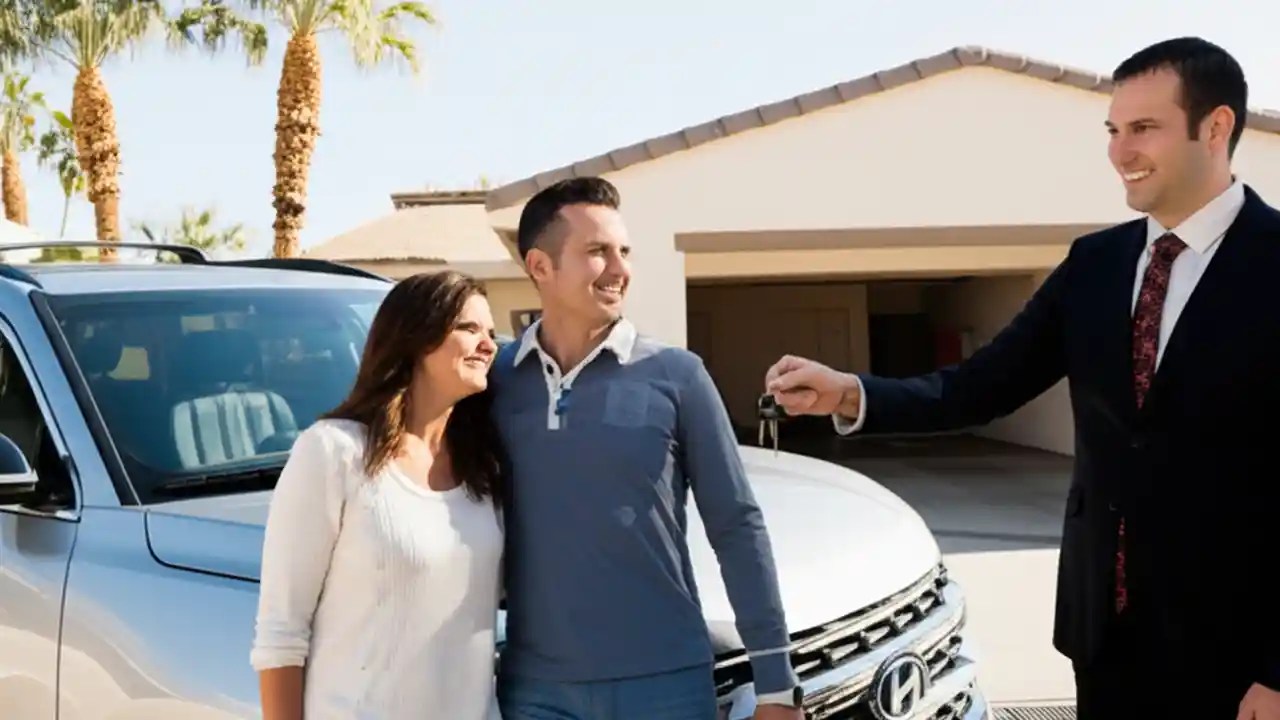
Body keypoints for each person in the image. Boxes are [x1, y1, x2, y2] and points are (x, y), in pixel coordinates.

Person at [763, 36, 1280, 720]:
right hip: (1103, 639)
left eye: (1144, 129)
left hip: (1237, 658)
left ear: (1215, 128)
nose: (1120, 153)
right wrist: (850, 391)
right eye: (1113, 131)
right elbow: (981, 385)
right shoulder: (1094, 265)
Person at [487, 176, 804, 720]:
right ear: (540, 267)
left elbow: (736, 524)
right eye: (596, 252)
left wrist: (776, 682)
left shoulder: (678, 376)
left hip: (665, 686)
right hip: (534, 689)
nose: (619, 269)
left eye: (624, 251)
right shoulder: (493, 381)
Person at [250, 271, 506, 720]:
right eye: (469, 328)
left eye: (490, 332)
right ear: (416, 336)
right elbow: (281, 635)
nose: (488, 344)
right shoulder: (334, 451)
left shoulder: (483, 471)